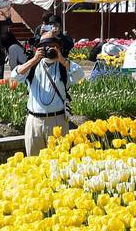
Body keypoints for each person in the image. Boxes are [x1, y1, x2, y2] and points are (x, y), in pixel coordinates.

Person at [12, 24, 84, 157]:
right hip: (34, 122)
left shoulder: (63, 67)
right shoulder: (33, 66)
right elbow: (15, 76)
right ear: (38, 48)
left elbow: (79, 75)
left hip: (57, 121)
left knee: (59, 163)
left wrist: (61, 59)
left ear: (59, 47)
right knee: (33, 163)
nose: (50, 48)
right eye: (45, 46)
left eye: (53, 45)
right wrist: (34, 59)